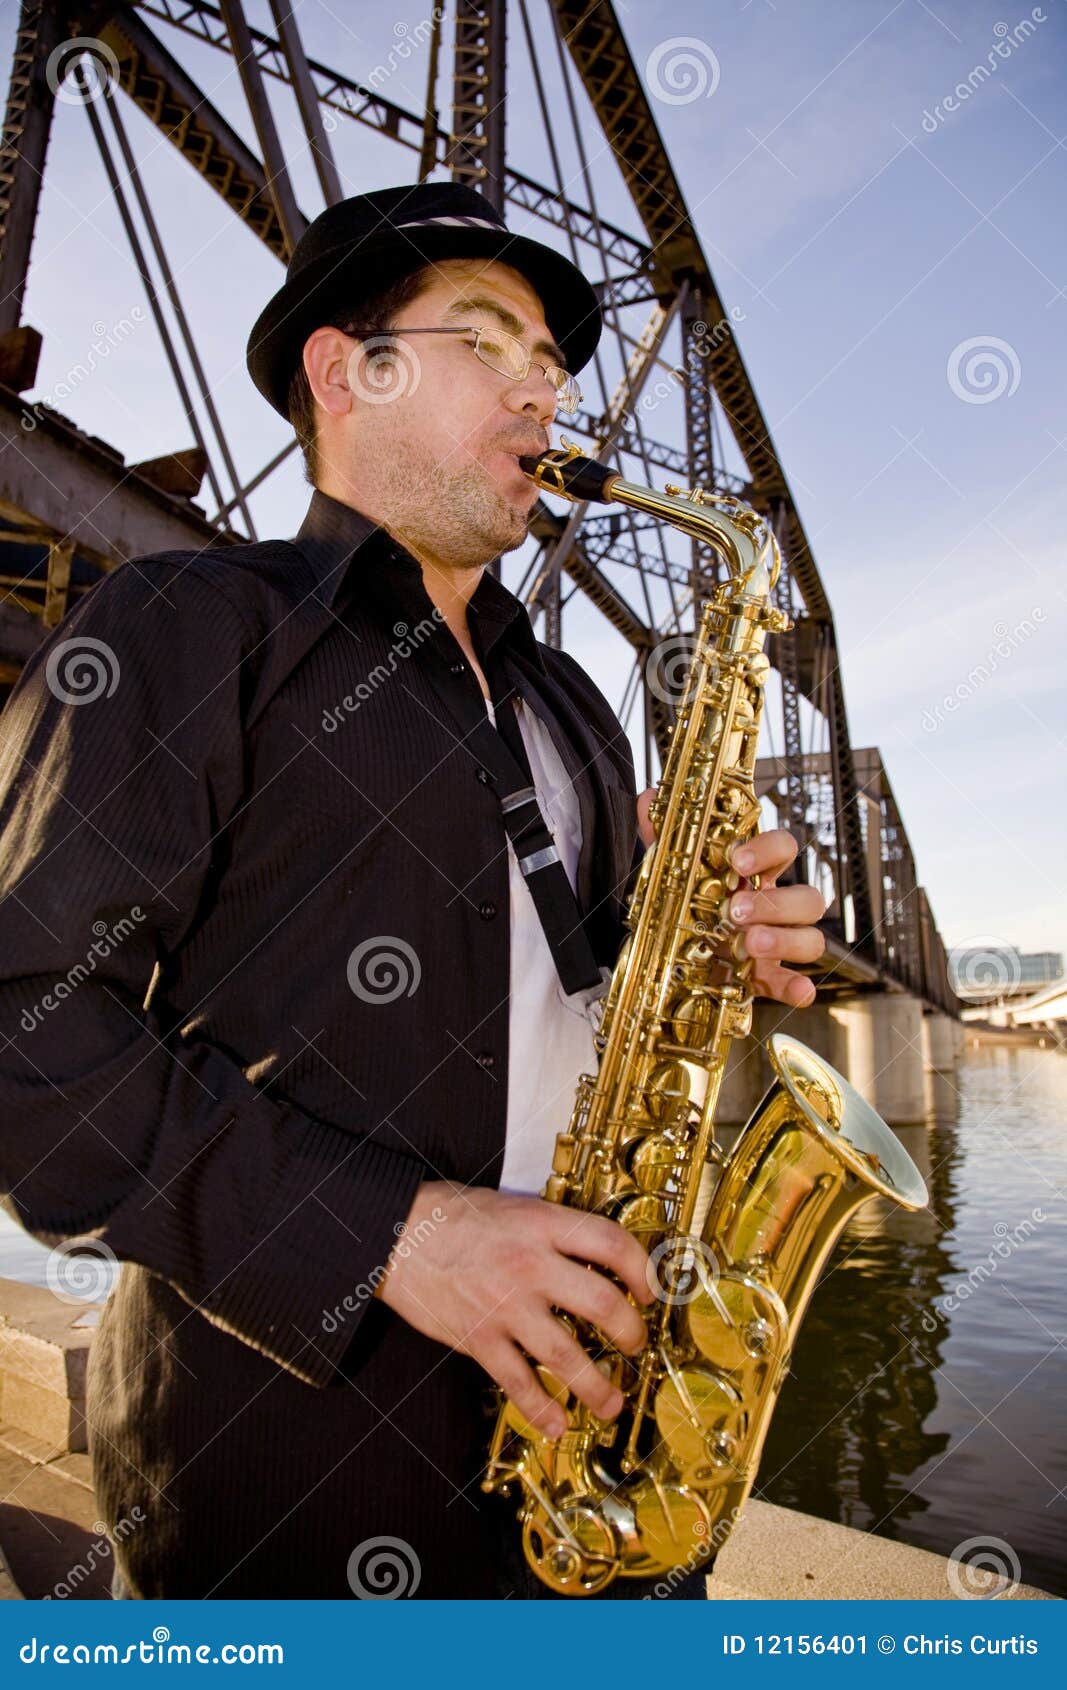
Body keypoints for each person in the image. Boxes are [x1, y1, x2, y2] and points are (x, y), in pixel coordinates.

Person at [0, 183, 826, 1600]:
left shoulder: (570, 701)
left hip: (613, 1464)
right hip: (296, 1493)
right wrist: (391, 1233)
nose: (549, 390)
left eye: (554, 363)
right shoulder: (186, 627)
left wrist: (708, 945)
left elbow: (576, 1000)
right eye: (492, 341)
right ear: (345, 372)